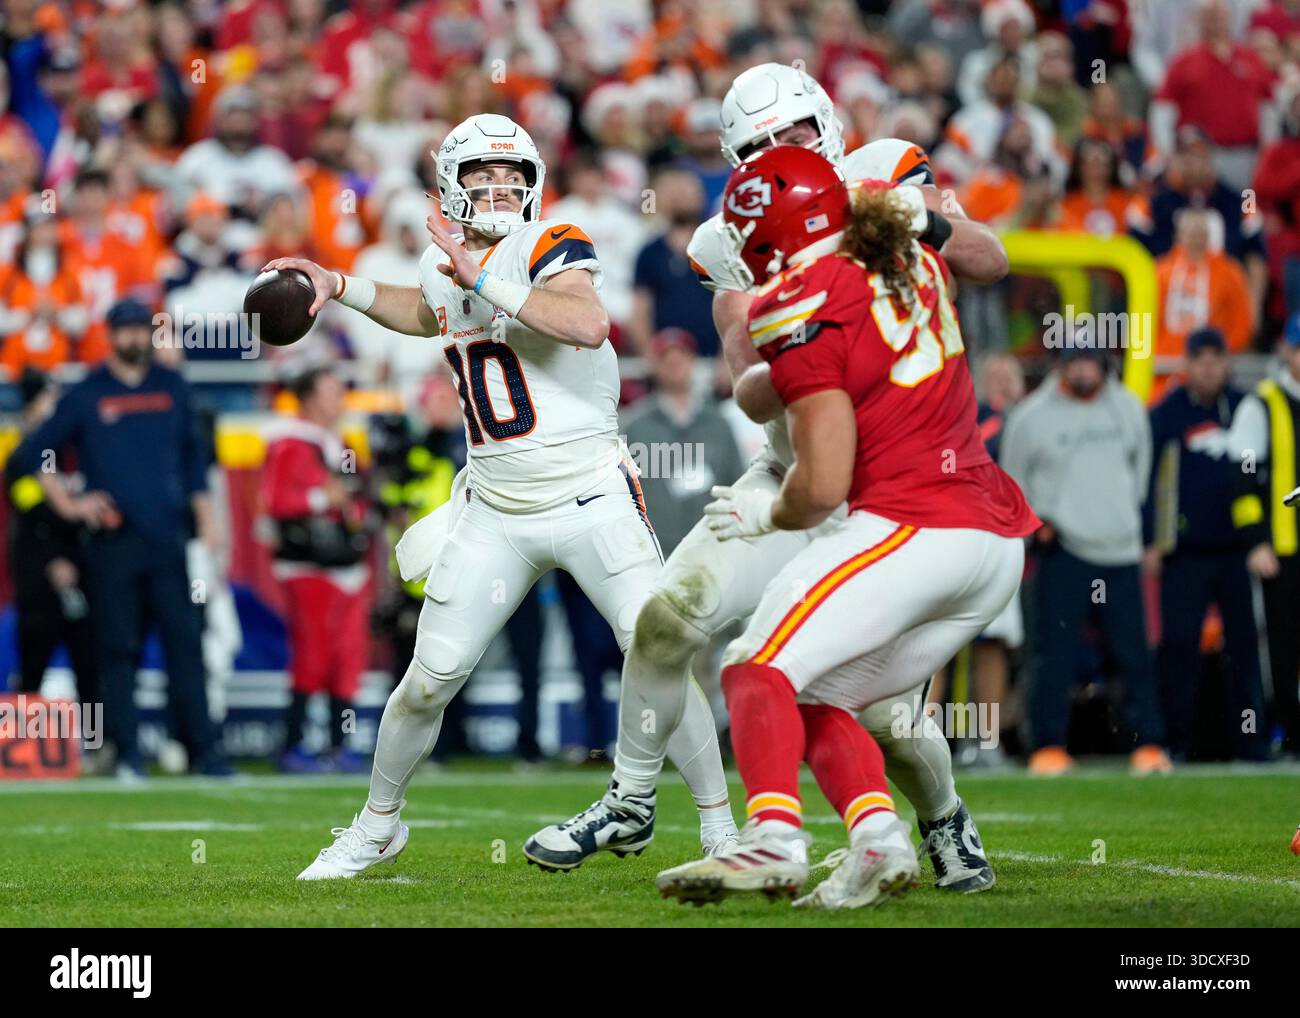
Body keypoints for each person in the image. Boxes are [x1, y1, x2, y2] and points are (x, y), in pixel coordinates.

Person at [528, 65, 1010, 893]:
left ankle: (940, 817)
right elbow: (749, 373)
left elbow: (988, 258)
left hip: (887, 492)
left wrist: (902, 217)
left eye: (793, 135)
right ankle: (631, 798)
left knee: (886, 714)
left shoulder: (886, 169)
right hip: (789, 469)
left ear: (825, 122)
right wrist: (791, 315)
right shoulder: (728, 235)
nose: (780, 154)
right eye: (758, 147)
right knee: (666, 620)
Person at [274, 113, 733, 879]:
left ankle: (721, 831)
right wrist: (339, 284)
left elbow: (585, 323)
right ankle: (376, 826)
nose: (498, 191)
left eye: (511, 179)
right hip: (497, 503)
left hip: (589, 488)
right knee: (428, 680)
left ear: (534, 186)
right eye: (482, 179)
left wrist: (480, 274)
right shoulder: (438, 264)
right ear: (451, 187)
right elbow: (426, 313)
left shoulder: (550, 242)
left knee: (657, 646)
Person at [654, 147, 1039, 908]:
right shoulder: (910, 257)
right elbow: (955, 261)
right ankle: (877, 840)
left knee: (753, 663)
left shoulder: (800, 296)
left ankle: (772, 837)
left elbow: (822, 484)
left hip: (917, 523)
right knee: (816, 694)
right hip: (993, 537)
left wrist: (762, 512)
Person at [9, 298, 229, 780]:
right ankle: (127, 754)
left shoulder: (171, 387)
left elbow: (195, 461)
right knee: (116, 650)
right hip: (113, 546)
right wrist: (71, 505)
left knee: (186, 648)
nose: (133, 338)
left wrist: (207, 522)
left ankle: (206, 754)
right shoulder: (88, 392)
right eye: (124, 330)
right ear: (110, 335)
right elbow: (34, 450)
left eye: (140, 329)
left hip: (171, 542)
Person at [1000, 346, 1172, 776]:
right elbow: (1011, 480)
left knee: (1135, 654)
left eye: (1089, 360)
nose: (1081, 368)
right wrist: (1036, 529)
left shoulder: (1129, 409)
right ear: (1060, 364)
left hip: (1120, 548)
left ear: (1102, 364)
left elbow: (1142, 474)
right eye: (1073, 360)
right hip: (1063, 550)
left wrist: (1136, 530)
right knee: (1052, 654)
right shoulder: (1031, 416)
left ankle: (1149, 745)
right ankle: (1048, 747)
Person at [1144, 328, 1267, 761]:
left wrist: (1260, 537)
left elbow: (1258, 474)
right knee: (1179, 649)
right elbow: (1149, 480)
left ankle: (1251, 744)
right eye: (1201, 357)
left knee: (1244, 650)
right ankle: (1174, 743)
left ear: (1228, 362)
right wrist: (1151, 541)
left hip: (1237, 551)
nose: (1210, 366)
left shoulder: (1246, 408)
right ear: (1187, 363)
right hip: (1185, 552)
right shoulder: (1165, 414)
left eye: (1218, 357)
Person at [261, 366, 373, 774]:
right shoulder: (290, 442)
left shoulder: (340, 443)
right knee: (313, 656)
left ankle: (338, 745)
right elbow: (275, 501)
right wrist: (321, 498)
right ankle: (292, 744)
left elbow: (358, 499)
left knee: (346, 657)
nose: (339, 399)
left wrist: (354, 510)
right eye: (331, 391)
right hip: (308, 564)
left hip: (347, 564)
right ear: (308, 398)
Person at [1206, 313, 1300, 754]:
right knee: (1280, 642)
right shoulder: (1263, 403)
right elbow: (1242, 475)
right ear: (1285, 351)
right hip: (1283, 546)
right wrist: (1256, 540)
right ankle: (1286, 729)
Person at [5, 369, 97, 706]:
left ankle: (98, 744)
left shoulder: (71, 452)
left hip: (79, 571)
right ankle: (18, 748)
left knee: (89, 663)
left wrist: (72, 559)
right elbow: (36, 512)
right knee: (32, 664)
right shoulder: (20, 459)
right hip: (38, 575)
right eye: (49, 398)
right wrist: (56, 559)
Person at [621, 328, 745, 556]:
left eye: (681, 358)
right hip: (656, 550)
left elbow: (738, 481)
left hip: (715, 545)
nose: (674, 365)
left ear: (693, 363)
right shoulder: (635, 427)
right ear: (654, 366)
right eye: (666, 359)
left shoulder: (719, 424)